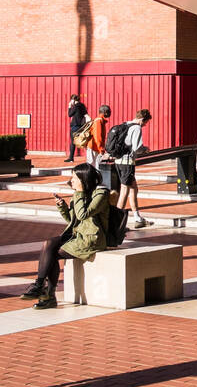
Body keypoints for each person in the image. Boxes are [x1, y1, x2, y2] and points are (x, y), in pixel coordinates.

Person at [23, 163, 109, 310]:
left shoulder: (100, 194)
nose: (71, 181)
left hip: (91, 240)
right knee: (49, 244)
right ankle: (40, 286)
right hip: (77, 235)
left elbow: (83, 215)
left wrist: (79, 193)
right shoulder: (79, 195)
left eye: (74, 178)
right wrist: (63, 207)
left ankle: (47, 294)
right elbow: (73, 221)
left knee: (52, 254)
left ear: (84, 179)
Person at [113, 109, 152, 227]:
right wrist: (145, 149)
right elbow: (137, 148)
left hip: (118, 161)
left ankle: (137, 217)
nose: (145, 125)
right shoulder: (136, 128)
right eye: (145, 122)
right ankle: (116, 222)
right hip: (127, 163)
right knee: (124, 190)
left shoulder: (125, 124)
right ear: (142, 119)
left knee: (134, 188)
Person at [67, 94, 89, 163]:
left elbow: (69, 114)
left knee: (73, 142)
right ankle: (88, 157)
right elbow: (86, 114)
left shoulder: (75, 106)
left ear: (73, 100)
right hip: (81, 126)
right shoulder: (82, 106)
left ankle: (71, 158)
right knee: (83, 141)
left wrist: (69, 106)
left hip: (75, 126)